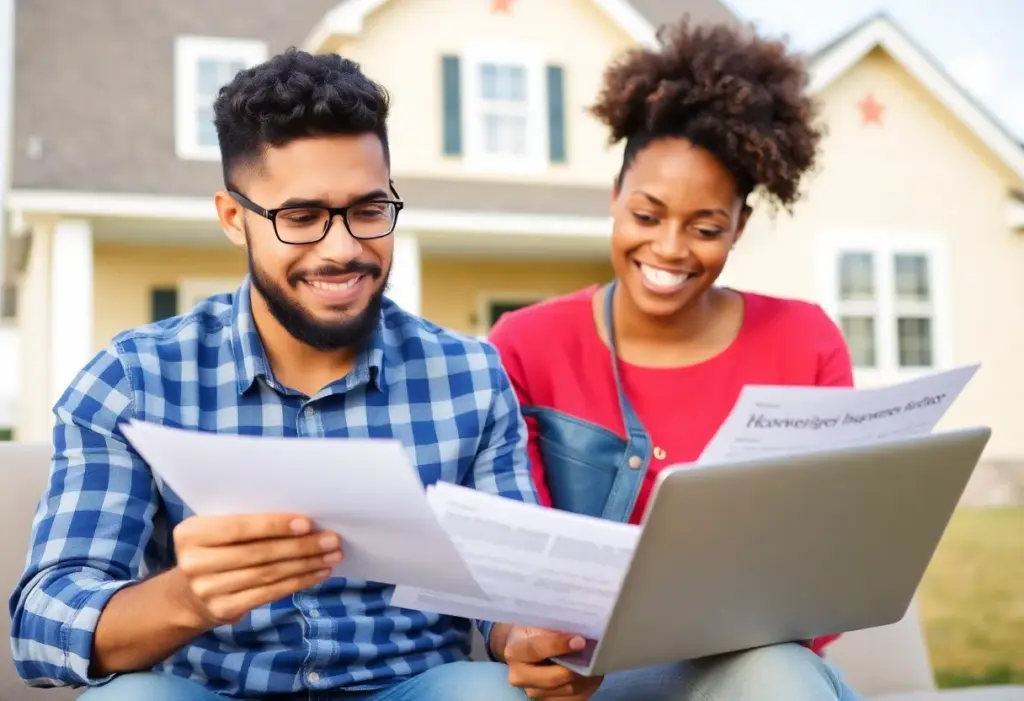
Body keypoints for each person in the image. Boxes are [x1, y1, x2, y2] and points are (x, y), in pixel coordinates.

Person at [7, 48, 544, 701]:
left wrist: (533, 640)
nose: (343, 247)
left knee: (489, 691)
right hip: (211, 690)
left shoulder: (470, 376)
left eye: (369, 209)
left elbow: (510, 595)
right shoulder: (134, 378)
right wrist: (186, 598)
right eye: (301, 217)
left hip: (410, 687)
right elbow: (42, 624)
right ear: (235, 218)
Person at [487, 19, 862, 701]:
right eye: (647, 214)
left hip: (734, 671)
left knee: (783, 676)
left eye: (706, 227)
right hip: (578, 679)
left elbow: (828, 566)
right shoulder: (523, 344)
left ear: (740, 226)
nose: (669, 248)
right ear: (614, 199)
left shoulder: (805, 342)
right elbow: (501, 557)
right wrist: (520, 635)